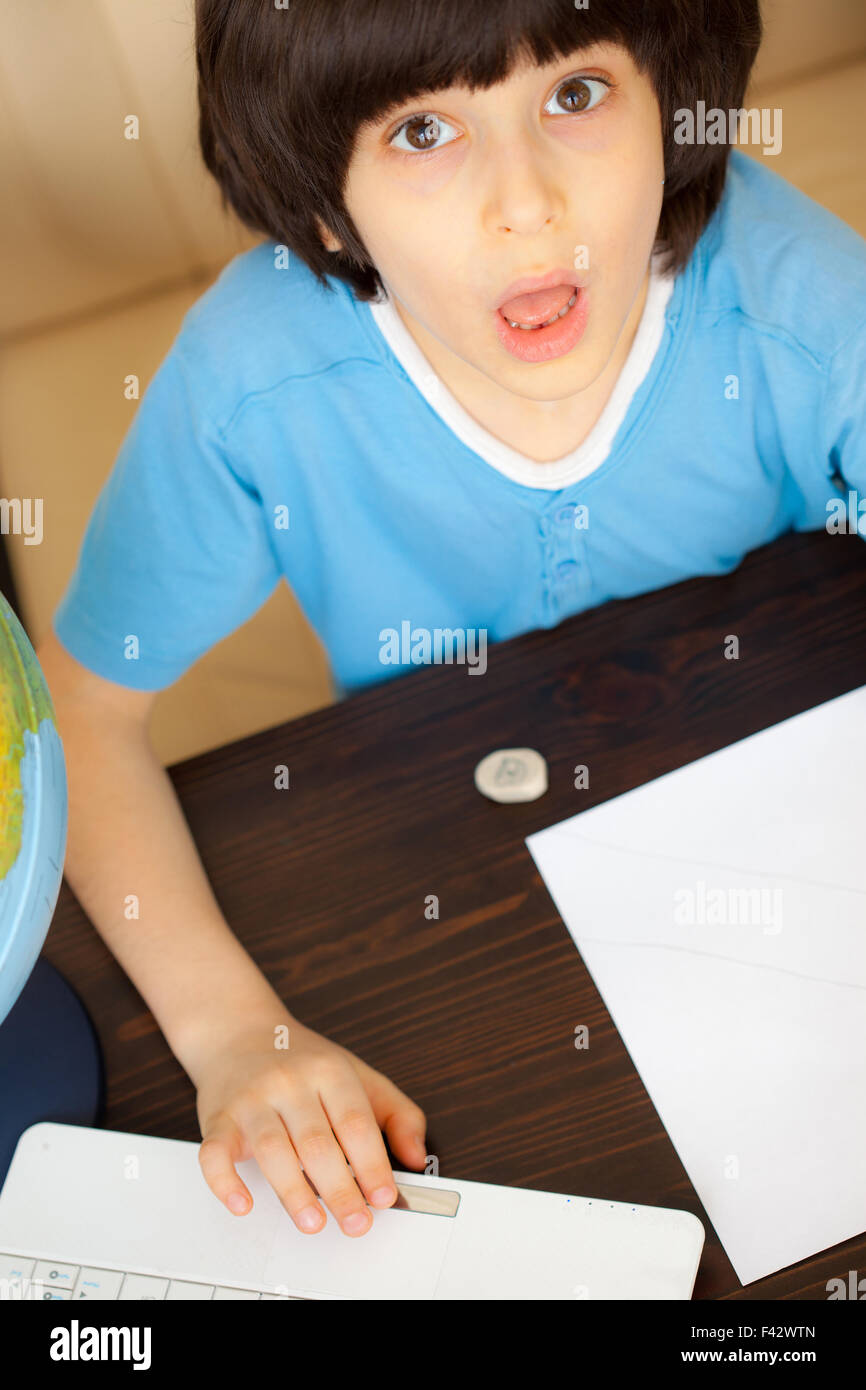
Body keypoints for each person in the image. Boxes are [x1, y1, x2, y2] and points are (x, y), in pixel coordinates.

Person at [40, 0, 866, 1240]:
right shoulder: (251, 383)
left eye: (575, 98)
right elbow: (80, 714)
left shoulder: (800, 300)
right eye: (424, 132)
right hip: (450, 883)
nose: (523, 205)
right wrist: (230, 1033)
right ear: (325, 204)